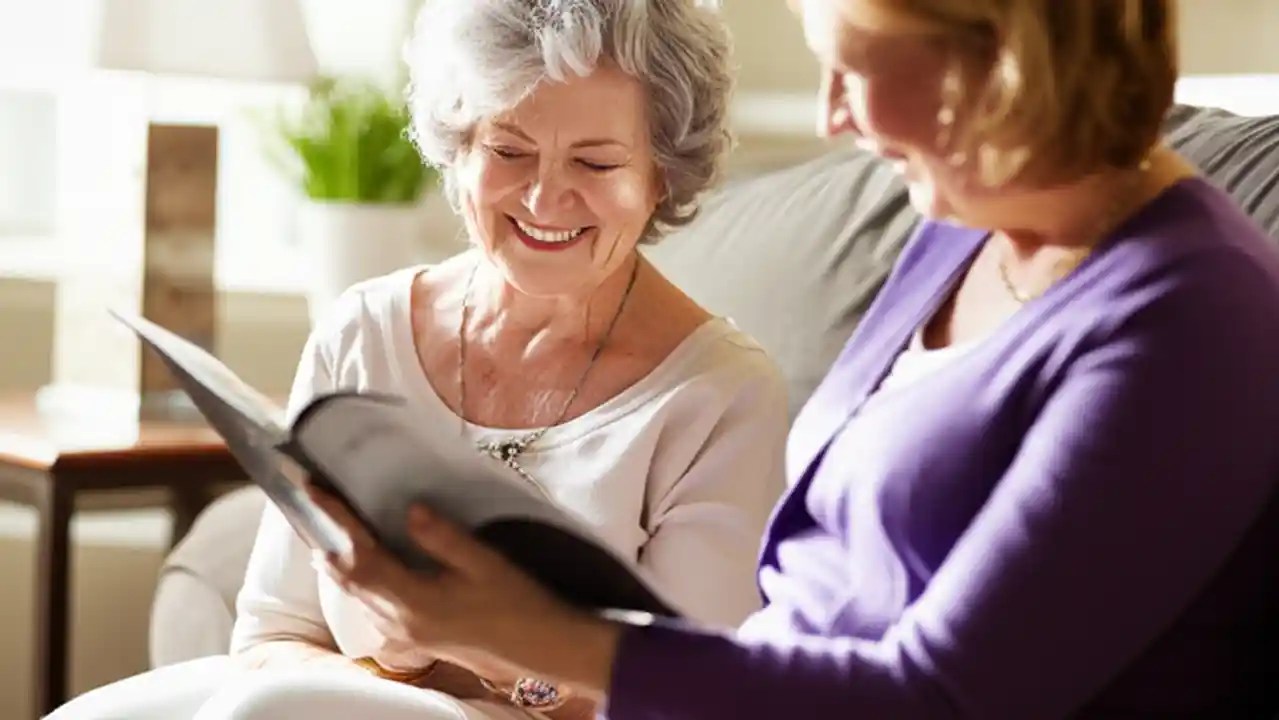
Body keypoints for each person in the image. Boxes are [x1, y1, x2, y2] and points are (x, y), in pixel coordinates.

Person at [203, 0, 1279, 718]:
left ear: (1000, 56)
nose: (827, 117)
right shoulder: (958, 223)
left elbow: (939, 700)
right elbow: (794, 599)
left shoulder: (1194, 312)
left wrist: (533, 638)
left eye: (853, 68)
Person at [45, 1, 786, 718]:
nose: (544, 195)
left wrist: (473, 639)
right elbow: (273, 636)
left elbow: (690, 698)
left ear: (662, 175)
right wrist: (395, 671)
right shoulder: (364, 331)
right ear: (457, 149)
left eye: (595, 162)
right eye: (508, 150)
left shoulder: (720, 397)